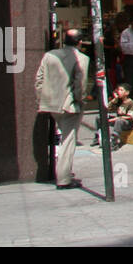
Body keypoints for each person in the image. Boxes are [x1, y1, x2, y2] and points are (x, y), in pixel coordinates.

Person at [35, 28, 91, 189]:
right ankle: (64, 178)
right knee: (68, 140)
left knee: (64, 137)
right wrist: (80, 102)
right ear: (80, 42)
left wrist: (42, 99)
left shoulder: (49, 56)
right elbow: (80, 85)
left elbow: (39, 80)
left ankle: (62, 172)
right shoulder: (81, 58)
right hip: (70, 106)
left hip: (51, 105)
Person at [94, 84, 133, 148]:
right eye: (118, 90)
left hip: (127, 123)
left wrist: (116, 118)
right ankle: (98, 137)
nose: (119, 91)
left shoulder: (131, 103)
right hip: (117, 121)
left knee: (119, 121)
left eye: (121, 90)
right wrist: (114, 99)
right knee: (99, 118)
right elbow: (106, 109)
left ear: (127, 93)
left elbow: (130, 117)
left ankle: (114, 141)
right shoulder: (118, 101)